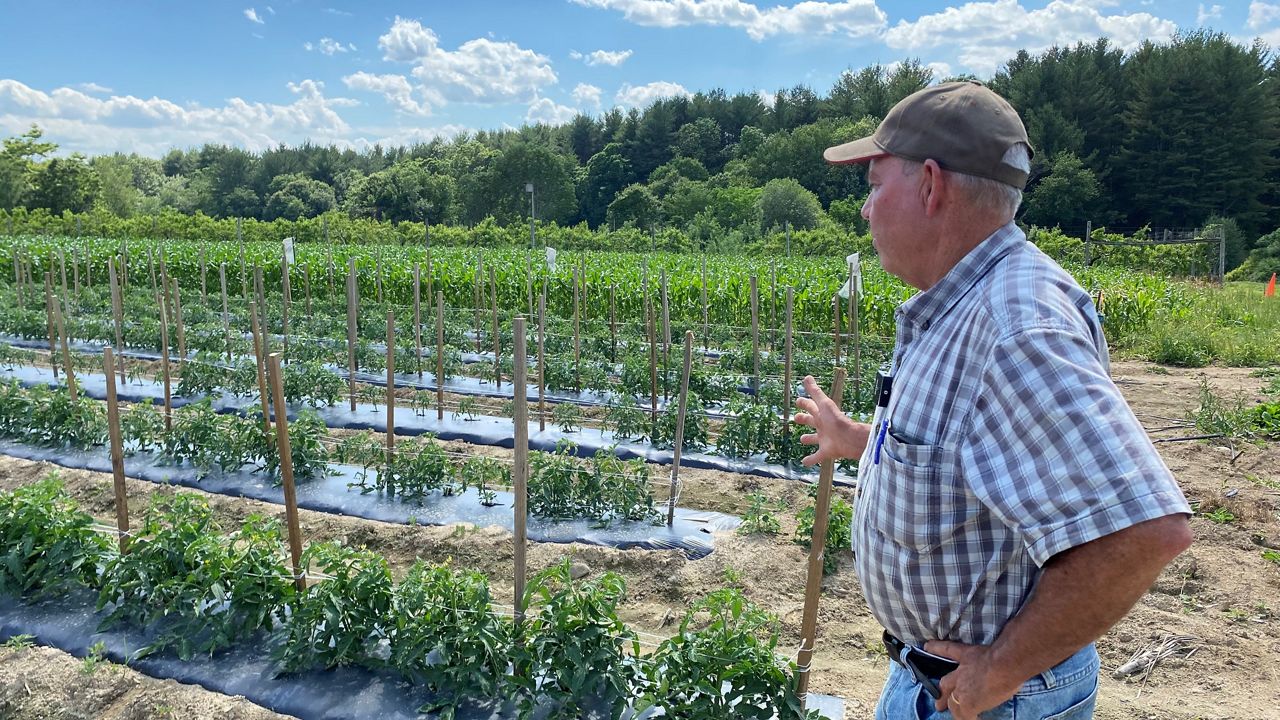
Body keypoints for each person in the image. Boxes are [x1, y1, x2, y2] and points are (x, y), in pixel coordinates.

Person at [792, 81, 1192, 720]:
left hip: (986, 699)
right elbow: (966, 457)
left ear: (930, 185)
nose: (866, 211)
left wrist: (999, 671)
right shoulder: (962, 305)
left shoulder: (1015, 326)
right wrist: (859, 441)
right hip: (935, 678)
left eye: (873, 186)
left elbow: (1145, 529)